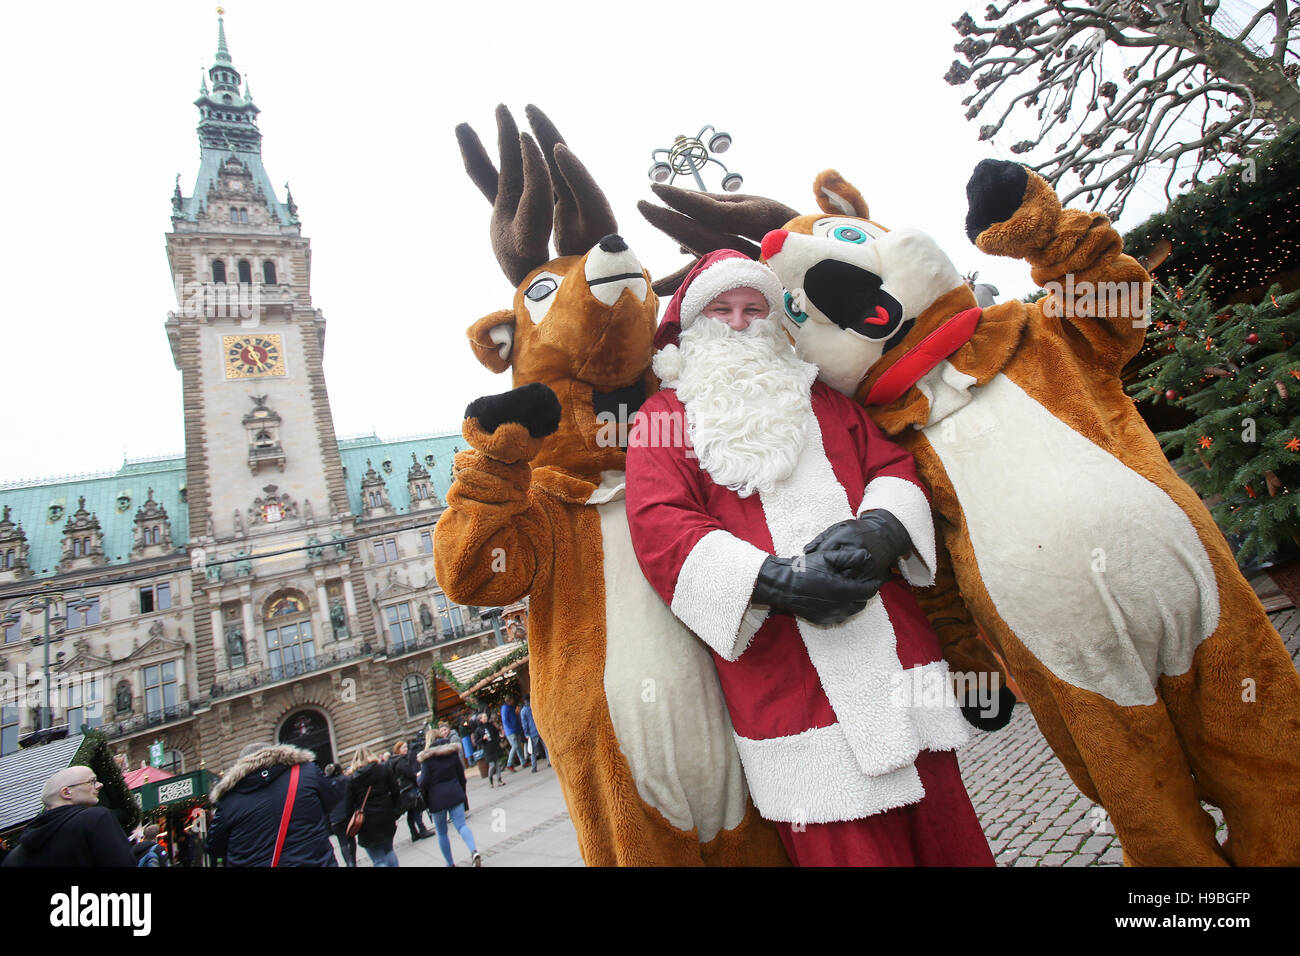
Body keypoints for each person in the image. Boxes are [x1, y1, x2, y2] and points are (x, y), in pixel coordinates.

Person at [625, 250, 993, 866]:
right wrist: (777, 582)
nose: (741, 323)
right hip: (789, 680)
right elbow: (661, 526)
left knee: (948, 842)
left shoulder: (821, 395)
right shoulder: (662, 420)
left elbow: (891, 467)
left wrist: (879, 530)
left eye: (754, 309)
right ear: (694, 327)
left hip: (892, 656)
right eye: (723, 309)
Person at [207, 742, 338, 867]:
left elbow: (214, 847)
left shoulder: (228, 801)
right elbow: (331, 800)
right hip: (316, 861)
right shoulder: (306, 772)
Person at [2, 766, 136, 867]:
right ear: (66, 792)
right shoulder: (96, 819)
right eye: (92, 781)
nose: (100, 785)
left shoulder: (15, 856)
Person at [417, 722, 482, 867]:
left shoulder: (427, 759)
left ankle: (450, 863)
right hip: (455, 793)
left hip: (436, 800)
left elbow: (424, 782)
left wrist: (420, 781)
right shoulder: (452, 754)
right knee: (461, 825)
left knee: (442, 833)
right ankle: (474, 850)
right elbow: (461, 775)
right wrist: (462, 792)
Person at [344, 745, 402, 867]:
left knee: (378, 860)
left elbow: (348, 807)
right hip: (386, 815)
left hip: (366, 822)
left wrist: (352, 822)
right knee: (389, 851)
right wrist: (395, 811)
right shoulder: (383, 769)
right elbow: (396, 790)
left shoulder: (352, 779)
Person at [388, 740, 432, 842]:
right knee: (416, 809)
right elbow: (409, 774)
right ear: (398, 750)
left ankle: (414, 832)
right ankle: (422, 829)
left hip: (402, 790)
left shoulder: (392, 761)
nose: (406, 749)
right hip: (409, 788)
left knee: (411, 812)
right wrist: (416, 779)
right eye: (403, 748)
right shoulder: (401, 761)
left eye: (406, 747)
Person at [322, 763, 356, 867]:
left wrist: (327, 825)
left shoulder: (325, 785)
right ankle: (353, 861)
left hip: (335, 818)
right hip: (347, 814)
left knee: (343, 843)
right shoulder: (345, 779)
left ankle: (349, 863)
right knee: (351, 838)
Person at [471, 712, 505, 788]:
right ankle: (490, 780)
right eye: (484, 717)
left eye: (486, 716)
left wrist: (497, 739)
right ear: (480, 719)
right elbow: (477, 741)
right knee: (492, 765)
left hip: (494, 746)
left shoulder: (490, 726)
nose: (486, 718)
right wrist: (483, 739)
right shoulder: (478, 730)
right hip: (487, 749)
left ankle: (499, 780)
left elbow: (496, 733)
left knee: (497, 764)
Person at [519, 695, 546, 772]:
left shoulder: (523, 711)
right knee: (546, 747)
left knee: (533, 751)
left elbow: (524, 723)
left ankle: (534, 767)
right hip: (540, 729)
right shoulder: (535, 706)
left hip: (532, 732)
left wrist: (526, 733)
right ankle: (550, 762)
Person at [500, 697, 525, 771]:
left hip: (515, 729)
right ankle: (509, 763)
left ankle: (523, 761)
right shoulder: (506, 708)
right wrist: (511, 727)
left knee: (518, 746)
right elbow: (505, 720)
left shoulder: (510, 708)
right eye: (512, 700)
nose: (513, 702)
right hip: (511, 731)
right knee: (515, 746)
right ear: (509, 701)